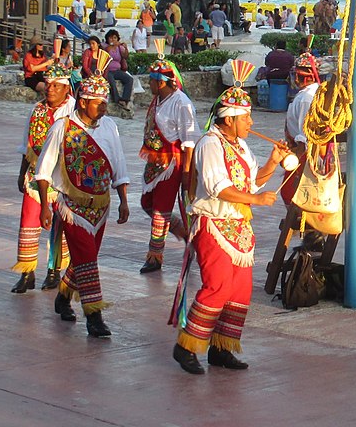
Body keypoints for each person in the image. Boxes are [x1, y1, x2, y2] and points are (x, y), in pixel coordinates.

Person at [168, 73, 286, 375]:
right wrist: (256, 201)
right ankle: (187, 345)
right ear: (230, 119)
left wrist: (272, 162)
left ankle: (221, 348)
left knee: (240, 291)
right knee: (217, 287)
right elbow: (218, 187)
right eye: (246, 117)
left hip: (239, 228)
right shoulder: (209, 144)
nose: (251, 123)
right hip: (214, 223)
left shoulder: (241, 146)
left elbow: (250, 182)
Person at [35, 74, 130, 337]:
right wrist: (45, 206)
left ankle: (63, 297)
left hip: (101, 205)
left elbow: (118, 162)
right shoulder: (61, 128)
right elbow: (43, 172)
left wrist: (123, 199)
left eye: (104, 102)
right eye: (98, 103)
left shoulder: (110, 126)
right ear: (82, 102)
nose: (103, 107)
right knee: (87, 259)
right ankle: (94, 316)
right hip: (72, 208)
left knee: (84, 259)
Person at [10, 64, 75, 293]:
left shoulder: (73, 111)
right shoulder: (36, 110)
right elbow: (27, 144)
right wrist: (21, 173)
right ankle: (27, 272)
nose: (50, 89)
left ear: (66, 88)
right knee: (28, 221)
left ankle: (54, 270)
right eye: (48, 85)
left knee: (60, 225)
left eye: (56, 85)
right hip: (36, 175)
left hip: (62, 178)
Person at [139, 55, 200, 274]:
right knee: (147, 203)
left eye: (151, 81)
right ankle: (183, 232)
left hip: (172, 162)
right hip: (155, 161)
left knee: (160, 210)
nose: (149, 85)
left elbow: (189, 139)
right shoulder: (157, 100)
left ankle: (155, 256)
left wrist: (186, 172)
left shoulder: (181, 102)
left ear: (161, 82)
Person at [281, 52, 325, 206]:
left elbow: (305, 134)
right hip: (301, 150)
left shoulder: (307, 98)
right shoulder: (310, 94)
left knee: (291, 192)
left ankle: (303, 222)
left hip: (305, 153)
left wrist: (296, 160)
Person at [103, 30, 134, 112]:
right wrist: (112, 46)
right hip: (107, 70)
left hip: (117, 70)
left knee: (129, 79)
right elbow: (106, 52)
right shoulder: (105, 46)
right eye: (111, 38)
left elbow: (125, 56)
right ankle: (117, 99)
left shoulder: (119, 47)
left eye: (115, 38)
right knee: (111, 82)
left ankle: (125, 99)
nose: (113, 40)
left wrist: (125, 48)